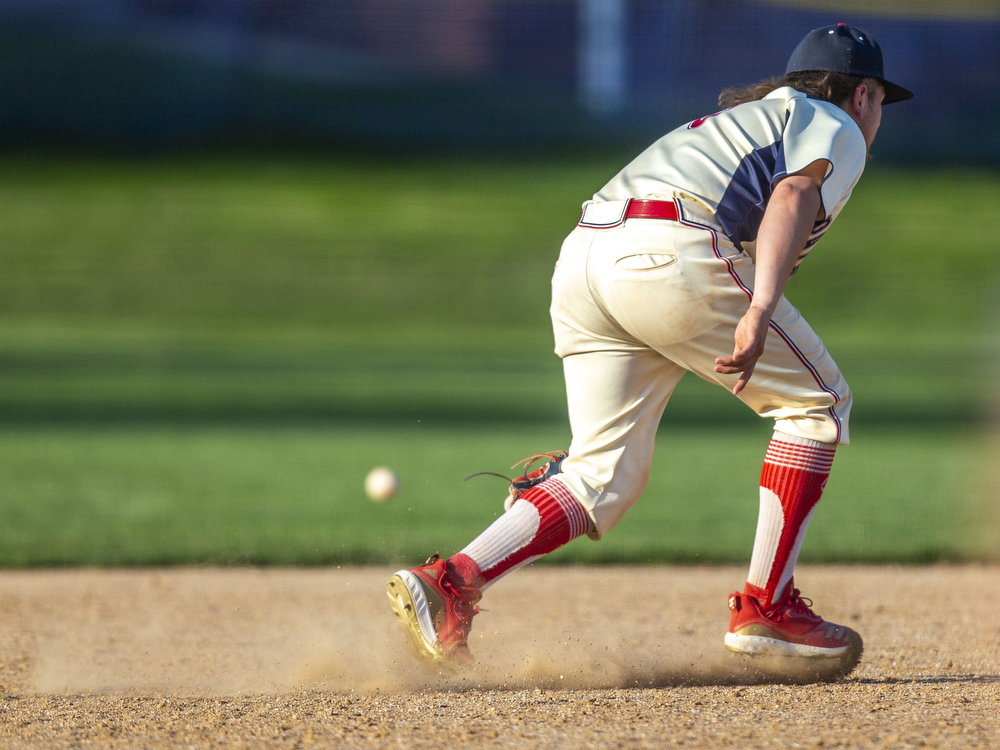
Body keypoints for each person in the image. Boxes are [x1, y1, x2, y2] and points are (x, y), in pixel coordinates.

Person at [386, 23, 912, 671]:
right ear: (862, 94)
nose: (878, 113)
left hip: (586, 255)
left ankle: (452, 582)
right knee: (818, 404)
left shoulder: (750, 120)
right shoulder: (833, 122)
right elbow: (795, 195)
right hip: (671, 250)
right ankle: (767, 607)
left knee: (602, 476)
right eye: (881, 100)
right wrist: (760, 308)